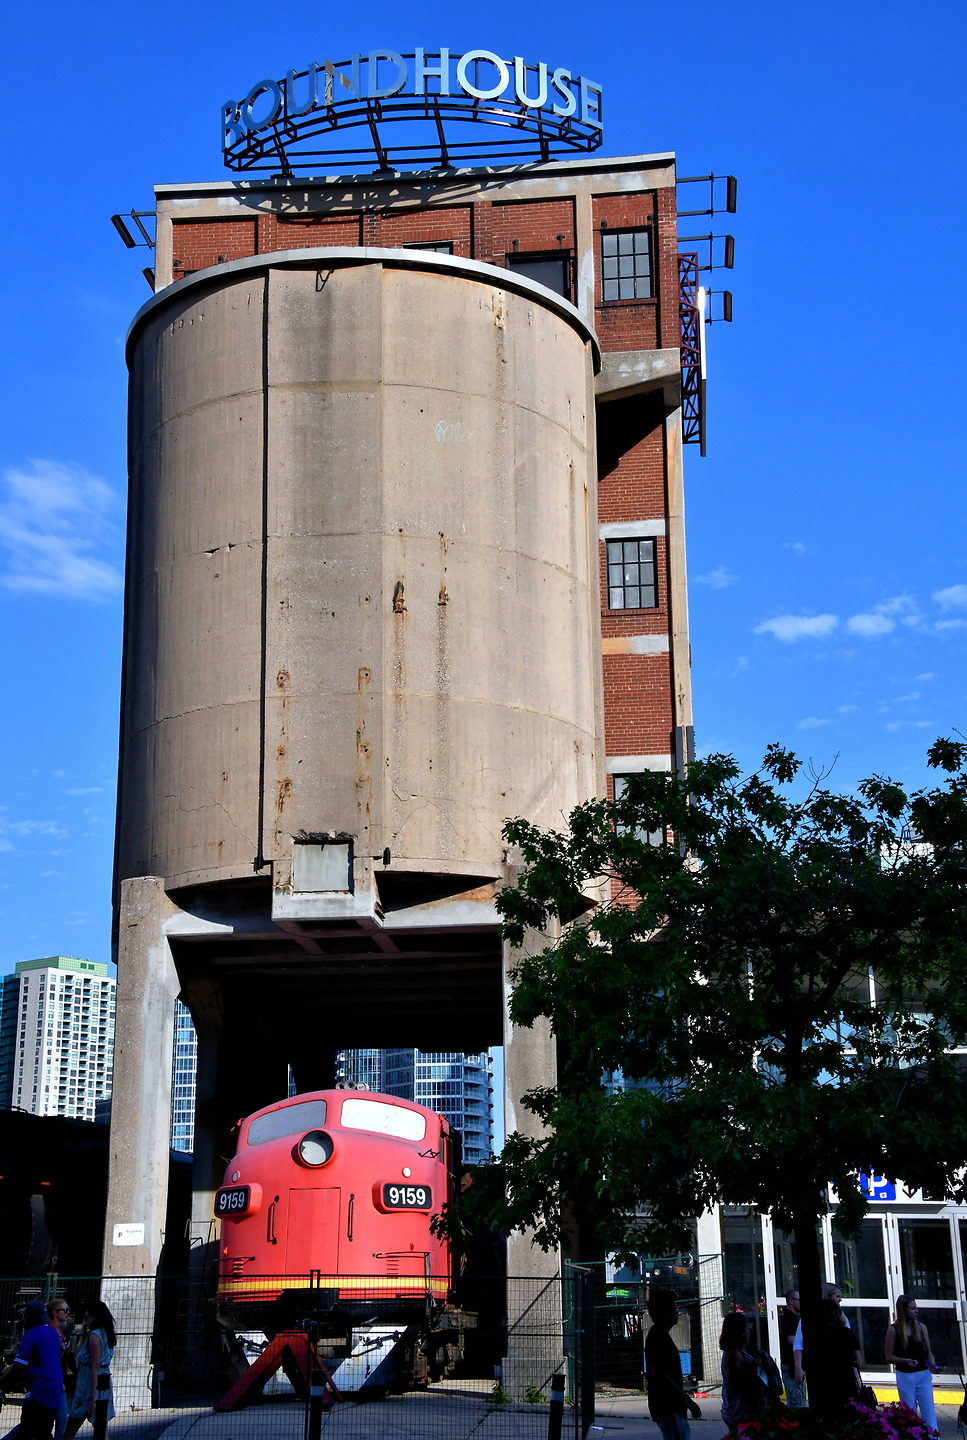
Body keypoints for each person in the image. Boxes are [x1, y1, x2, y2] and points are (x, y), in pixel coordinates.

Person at [0, 1299, 64, 1440]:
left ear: (31, 1317)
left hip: (40, 1390)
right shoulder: (52, 1333)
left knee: (27, 1429)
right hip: (54, 1390)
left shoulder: (31, 1335)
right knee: (43, 1431)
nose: (23, 1319)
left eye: (25, 1315)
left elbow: (19, 1366)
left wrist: (4, 1383)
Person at [644, 1289, 702, 1440]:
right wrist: (686, 1400)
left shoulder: (659, 1335)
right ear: (665, 1312)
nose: (677, 1311)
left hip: (669, 1406)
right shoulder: (658, 1337)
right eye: (673, 1308)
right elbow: (661, 1375)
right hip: (668, 1406)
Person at [884, 1295, 937, 1431]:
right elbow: (888, 1356)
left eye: (916, 1308)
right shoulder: (893, 1330)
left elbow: (928, 1352)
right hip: (905, 1375)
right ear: (904, 1310)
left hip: (923, 1374)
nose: (916, 1311)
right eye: (913, 1308)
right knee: (909, 1413)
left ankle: (933, 1436)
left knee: (929, 1412)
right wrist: (904, 1361)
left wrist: (933, 1366)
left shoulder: (921, 1327)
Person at [63, 1303, 115, 1439]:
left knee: (72, 1426)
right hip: (103, 1381)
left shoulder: (94, 1336)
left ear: (96, 1317)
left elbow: (94, 1365)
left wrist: (93, 1396)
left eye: (88, 1316)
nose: (85, 1320)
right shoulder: (106, 1333)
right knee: (101, 1427)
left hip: (90, 1384)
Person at [719, 1312, 769, 1432]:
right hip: (740, 1411)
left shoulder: (737, 1352)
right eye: (746, 1328)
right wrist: (754, 1365)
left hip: (738, 1409)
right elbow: (737, 1380)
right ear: (739, 1331)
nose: (748, 1331)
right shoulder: (734, 1354)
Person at [44, 1303, 72, 1440]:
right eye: (64, 1310)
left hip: (58, 1381)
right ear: (55, 1312)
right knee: (54, 1421)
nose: (67, 1313)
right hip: (52, 1383)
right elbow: (50, 1359)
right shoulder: (50, 1331)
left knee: (61, 1419)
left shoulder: (59, 1331)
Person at [778, 1289, 806, 1408]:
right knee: (797, 1402)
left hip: (793, 1365)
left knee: (799, 1399)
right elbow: (791, 1339)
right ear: (791, 1301)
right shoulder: (790, 1318)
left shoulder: (794, 1318)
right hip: (791, 1365)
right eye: (799, 1300)